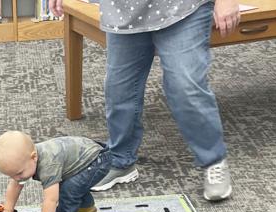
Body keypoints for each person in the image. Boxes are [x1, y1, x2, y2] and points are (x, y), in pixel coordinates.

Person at [49, 0, 240, 201]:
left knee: (185, 87)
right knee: (119, 89)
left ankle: (213, 160)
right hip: (125, 11)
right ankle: (121, 159)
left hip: (184, 8)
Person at [0, 131, 110, 212]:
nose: (16, 178)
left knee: (68, 190)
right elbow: (15, 185)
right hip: (87, 157)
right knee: (76, 186)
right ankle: (86, 207)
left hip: (97, 161)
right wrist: (8, 210)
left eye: (19, 173)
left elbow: (51, 200)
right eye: (11, 175)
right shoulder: (27, 160)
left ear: (34, 157)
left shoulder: (48, 166)